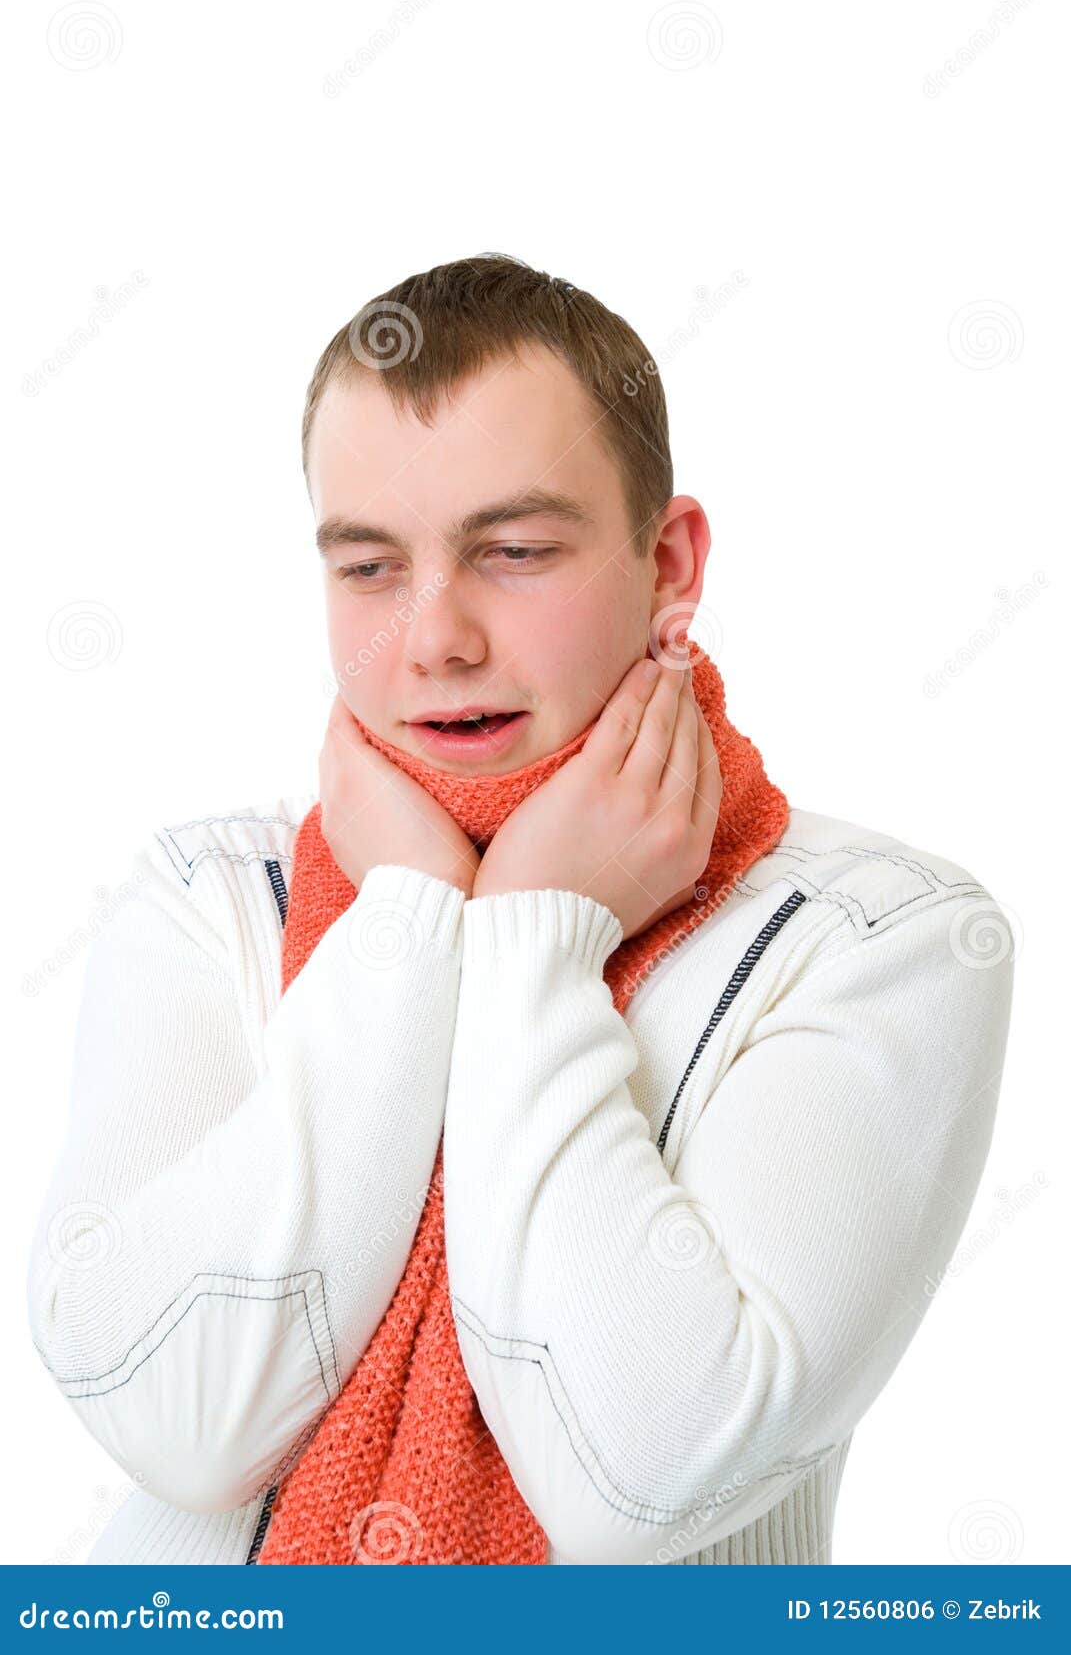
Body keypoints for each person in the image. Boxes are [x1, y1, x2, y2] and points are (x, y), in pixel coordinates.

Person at [25, 254, 1014, 1566]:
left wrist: (537, 929)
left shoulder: (883, 936)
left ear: (669, 561)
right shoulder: (214, 898)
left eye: (515, 551)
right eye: (370, 567)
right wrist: (411, 914)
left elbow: (638, 1475)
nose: (437, 636)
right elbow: (182, 1416)